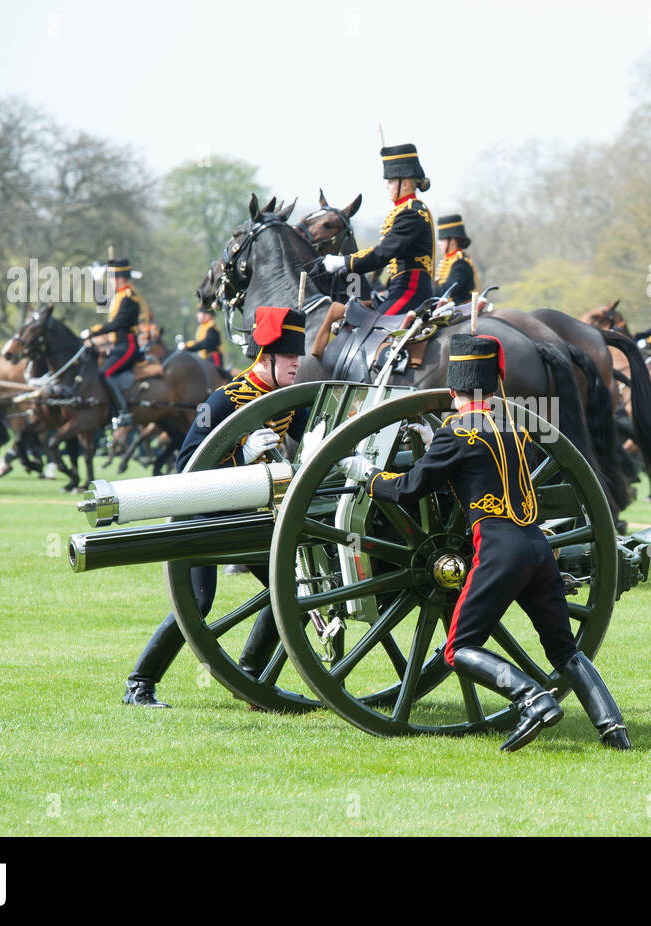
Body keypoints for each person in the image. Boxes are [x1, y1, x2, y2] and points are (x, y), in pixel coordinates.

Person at [336, 333, 630, 752]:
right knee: (564, 649)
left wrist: (366, 473)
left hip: (498, 551)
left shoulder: (455, 431)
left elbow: (408, 490)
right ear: (493, 386)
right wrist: (431, 439)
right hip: (538, 550)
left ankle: (533, 699)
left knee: (459, 647)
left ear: (453, 387)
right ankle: (613, 730)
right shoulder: (515, 427)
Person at [122, 306, 308, 707]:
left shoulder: (285, 398)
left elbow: (315, 432)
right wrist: (241, 456)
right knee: (199, 603)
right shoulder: (224, 401)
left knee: (288, 588)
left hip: (249, 516)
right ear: (268, 357)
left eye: (299, 356)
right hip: (205, 512)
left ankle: (251, 678)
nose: (298, 364)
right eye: (291, 357)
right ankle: (139, 683)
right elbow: (186, 466)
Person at [320, 143, 434, 316]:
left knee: (372, 330)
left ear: (404, 184)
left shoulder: (411, 212)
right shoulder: (405, 210)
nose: (386, 186)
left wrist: (343, 261)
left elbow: (384, 253)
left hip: (410, 291)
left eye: (390, 182)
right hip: (398, 288)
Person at [82, 257, 145, 429]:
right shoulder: (119, 296)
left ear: (119, 278)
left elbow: (118, 324)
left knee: (105, 373)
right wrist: (96, 281)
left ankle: (124, 413)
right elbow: (101, 302)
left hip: (128, 346)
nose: (109, 282)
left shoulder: (129, 296)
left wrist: (93, 331)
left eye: (111, 278)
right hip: (117, 346)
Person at [433, 213, 479, 304]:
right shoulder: (451, 261)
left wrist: (426, 290)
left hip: (460, 310)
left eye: (442, 240)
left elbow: (448, 290)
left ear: (452, 240)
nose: (439, 243)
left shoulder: (460, 263)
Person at [180, 304, 226, 374]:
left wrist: (190, 347)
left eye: (200, 313)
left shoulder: (211, 327)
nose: (197, 315)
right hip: (206, 358)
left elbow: (206, 343)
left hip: (213, 357)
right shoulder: (203, 327)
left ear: (207, 314)